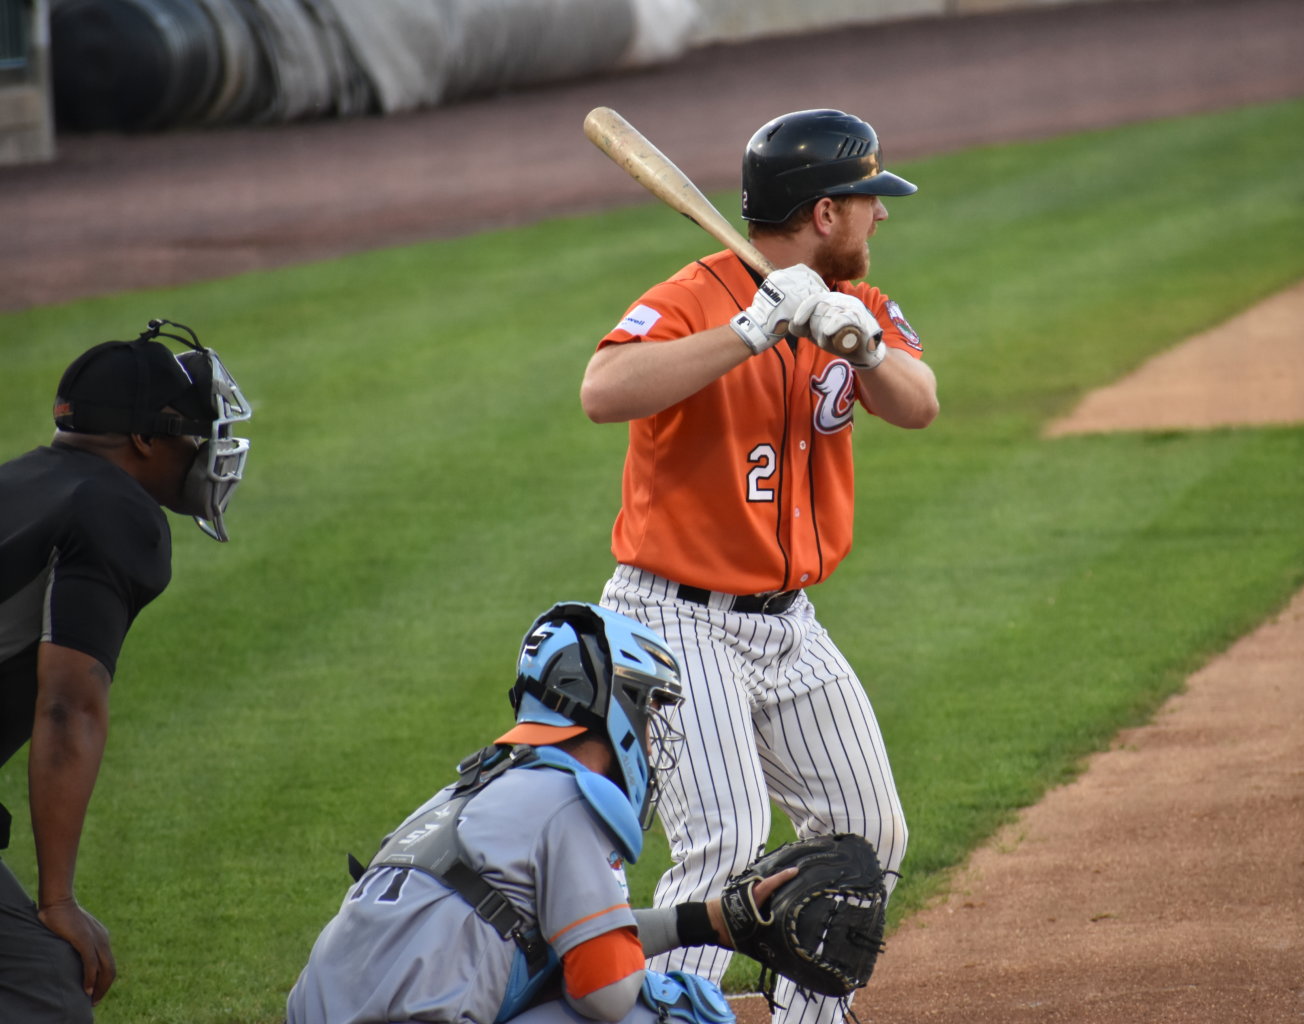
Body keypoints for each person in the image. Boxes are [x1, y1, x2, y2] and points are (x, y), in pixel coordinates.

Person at [579, 108, 938, 1023]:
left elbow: (920, 405)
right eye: (868, 201)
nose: (881, 218)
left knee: (868, 831)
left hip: (790, 626)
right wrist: (749, 331)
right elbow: (603, 389)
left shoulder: (858, 300)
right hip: (675, 617)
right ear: (825, 212)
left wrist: (863, 345)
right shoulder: (696, 296)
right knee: (724, 846)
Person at [287, 602, 795, 1024]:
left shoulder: (466, 794)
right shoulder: (568, 800)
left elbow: (552, 938)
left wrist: (709, 922)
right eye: (647, 708)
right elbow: (607, 992)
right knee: (677, 1011)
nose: (650, 732)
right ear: (611, 705)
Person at [0, 319, 253, 1022]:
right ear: (146, 439)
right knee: (44, 992)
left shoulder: (19, 483)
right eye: (193, 432)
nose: (204, 446)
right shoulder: (117, 511)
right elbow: (67, 708)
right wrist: (58, 902)